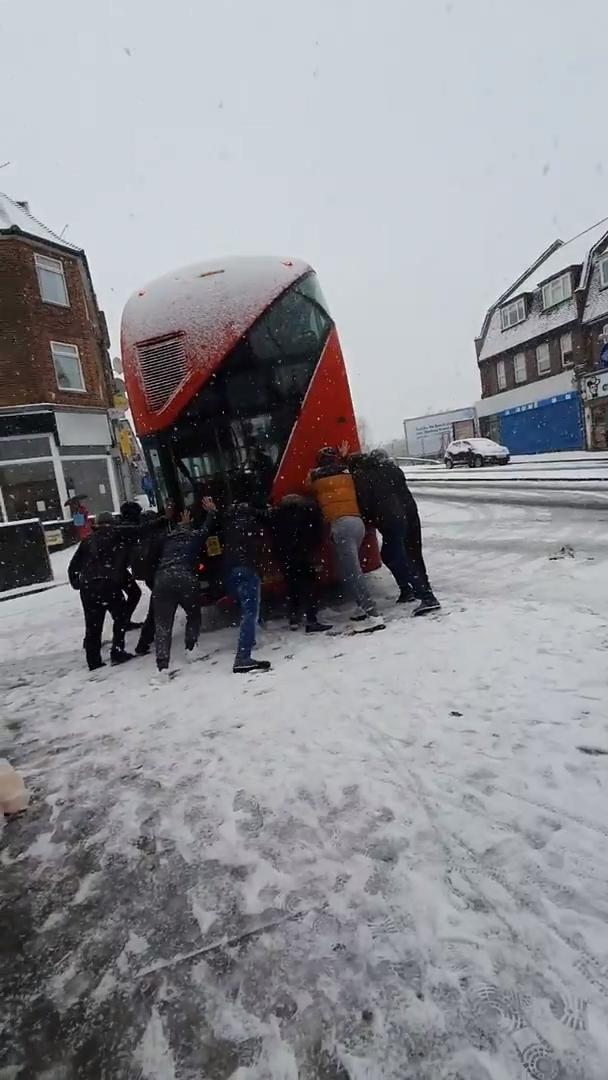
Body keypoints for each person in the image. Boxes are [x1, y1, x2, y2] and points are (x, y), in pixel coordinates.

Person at [349, 450, 440, 615]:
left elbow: (364, 502)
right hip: (410, 513)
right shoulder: (393, 469)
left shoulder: (362, 475)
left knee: (395, 556)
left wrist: (367, 518)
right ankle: (412, 590)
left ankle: (425, 596)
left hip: (391, 519)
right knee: (413, 554)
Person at [308, 446, 384, 632]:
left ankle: (372, 614)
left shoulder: (317, 478)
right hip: (357, 523)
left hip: (341, 526)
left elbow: (306, 486)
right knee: (346, 570)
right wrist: (344, 457)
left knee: (352, 572)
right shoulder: (347, 473)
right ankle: (361, 606)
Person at [152, 501, 216, 674]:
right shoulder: (194, 536)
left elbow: (153, 544)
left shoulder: (166, 538)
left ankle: (162, 664)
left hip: (162, 579)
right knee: (193, 613)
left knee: (163, 623)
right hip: (185, 578)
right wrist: (211, 512)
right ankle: (191, 647)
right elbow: (206, 529)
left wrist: (168, 518)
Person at [68, 512, 133, 671]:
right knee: (121, 617)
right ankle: (117, 651)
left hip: (89, 588)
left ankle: (93, 660)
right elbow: (123, 560)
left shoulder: (87, 541)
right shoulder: (116, 537)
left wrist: (78, 583)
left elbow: (73, 567)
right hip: (109, 584)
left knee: (93, 625)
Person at [219, 492, 272, 673]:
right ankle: (243, 657)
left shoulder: (229, 525)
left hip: (231, 571)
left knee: (246, 609)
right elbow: (268, 519)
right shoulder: (251, 522)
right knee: (250, 613)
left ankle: (251, 641)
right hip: (247, 568)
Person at [271, 494, 332, 632]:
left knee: (292, 588)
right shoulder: (308, 512)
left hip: (285, 557)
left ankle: (294, 618)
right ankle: (311, 620)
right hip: (303, 555)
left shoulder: (277, 514)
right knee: (310, 587)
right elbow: (316, 531)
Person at [118, 501, 145, 629]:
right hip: (116, 569)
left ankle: (124, 621)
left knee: (131, 594)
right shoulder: (130, 528)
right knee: (133, 593)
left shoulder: (121, 527)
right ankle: (123, 622)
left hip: (116, 568)